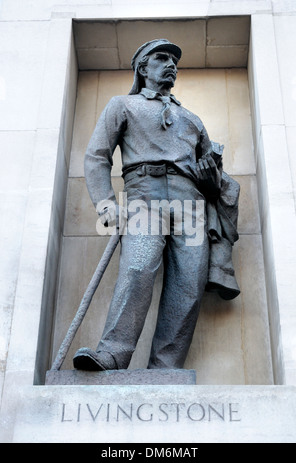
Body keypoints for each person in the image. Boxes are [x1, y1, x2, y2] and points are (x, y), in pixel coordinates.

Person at [73, 39, 240, 371]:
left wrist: (211, 178)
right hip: (143, 197)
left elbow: (214, 179)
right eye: (161, 58)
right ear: (142, 68)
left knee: (188, 286)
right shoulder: (122, 105)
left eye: (174, 60)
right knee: (136, 270)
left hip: (191, 204)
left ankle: (166, 367)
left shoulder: (192, 120)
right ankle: (112, 354)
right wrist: (106, 205)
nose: (171, 64)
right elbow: (96, 157)